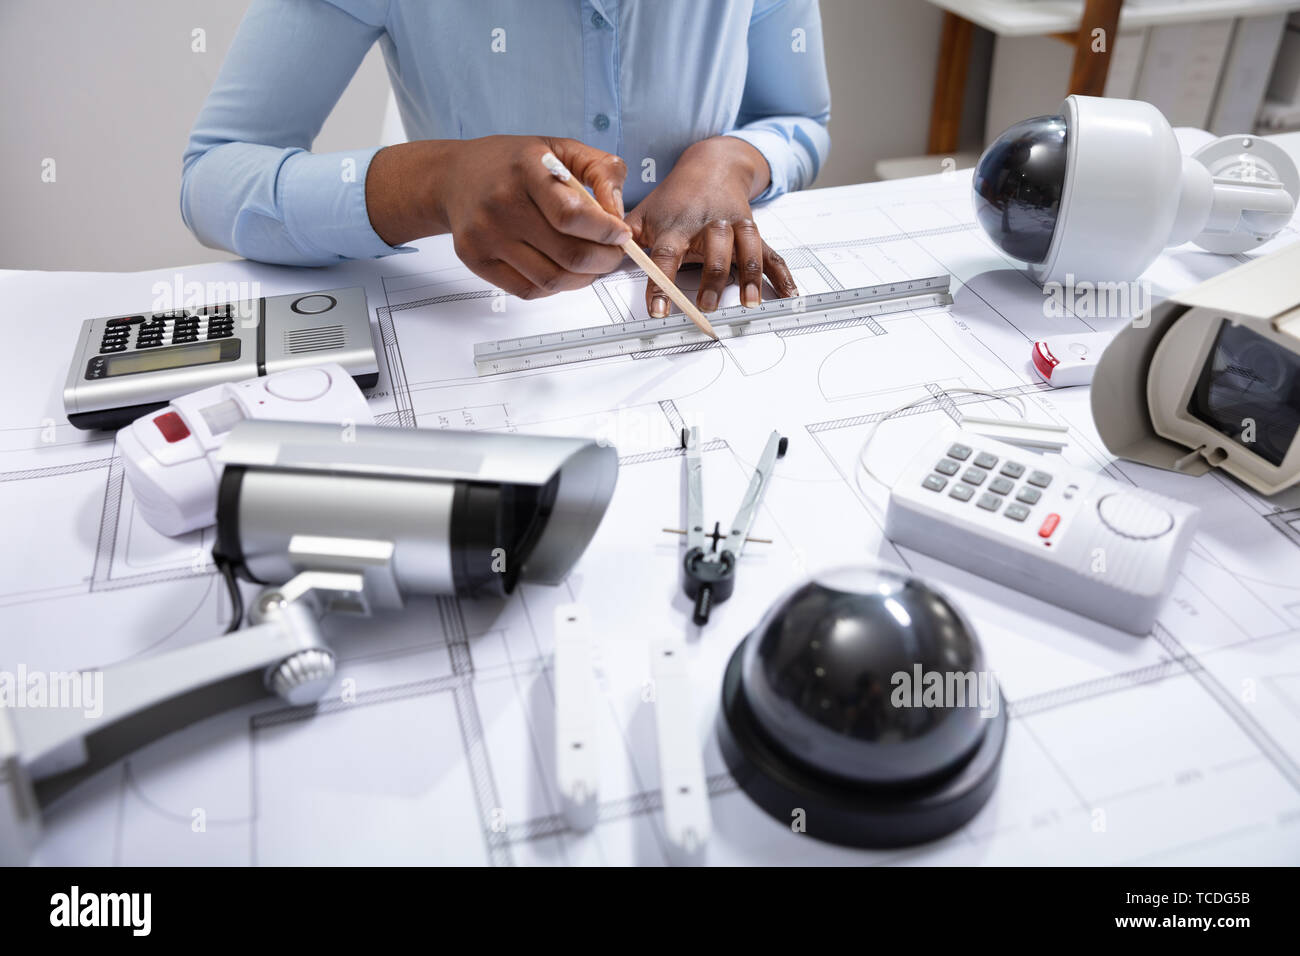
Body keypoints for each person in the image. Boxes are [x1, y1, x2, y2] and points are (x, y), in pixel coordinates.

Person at [182, 0, 830, 318]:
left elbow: (799, 118)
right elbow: (214, 178)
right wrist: (435, 184)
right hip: (478, 325)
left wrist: (731, 162)